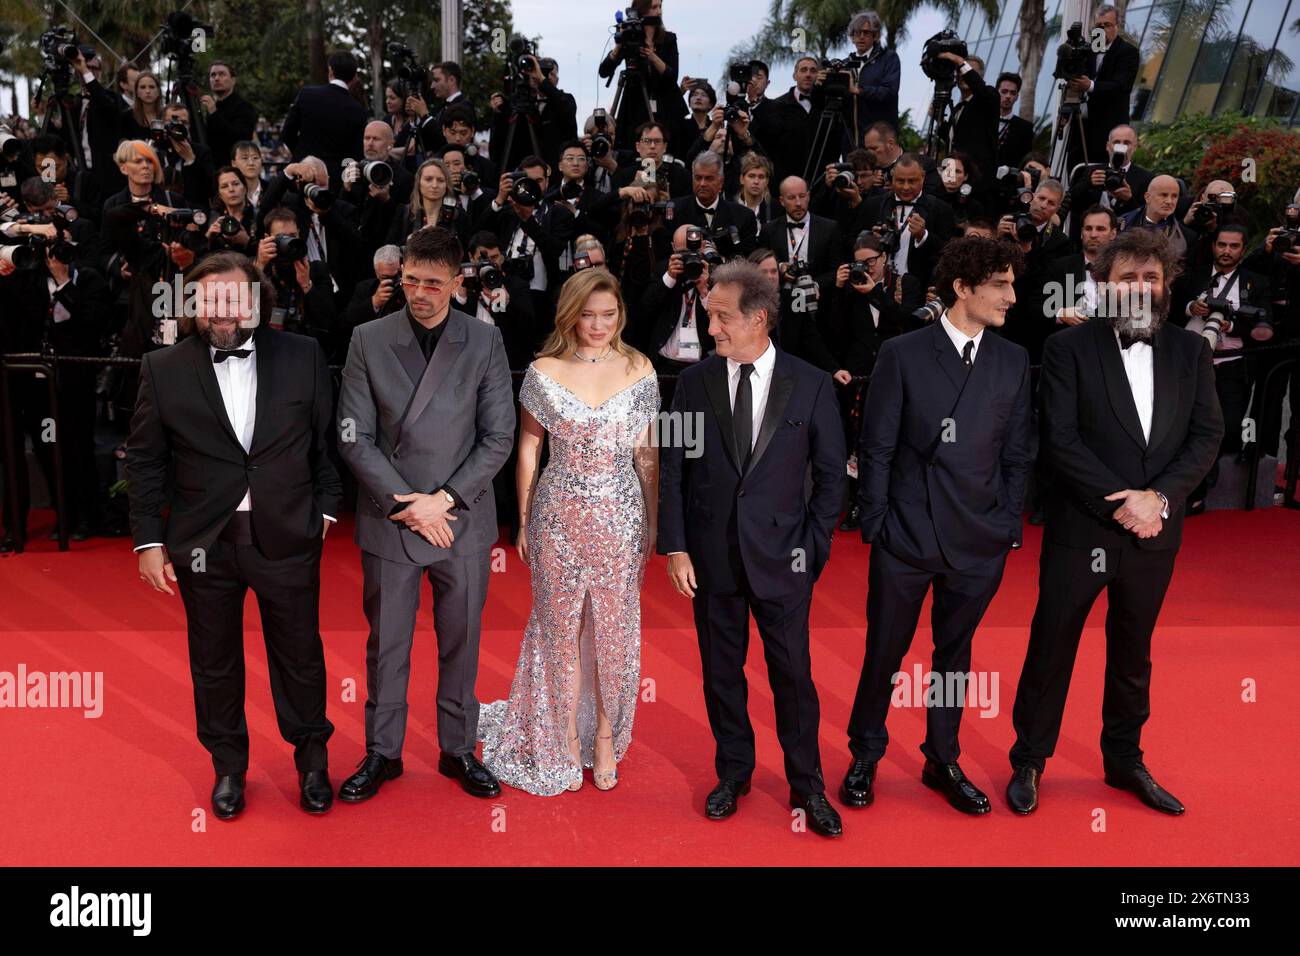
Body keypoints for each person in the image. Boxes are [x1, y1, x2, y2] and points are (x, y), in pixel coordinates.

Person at [1007, 228, 1224, 816]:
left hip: (1157, 530)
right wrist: (1121, 504)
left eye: (1151, 278)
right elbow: (1061, 439)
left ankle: (1124, 759)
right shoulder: (1067, 350)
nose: (1140, 287)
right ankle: (1029, 757)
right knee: (1053, 645)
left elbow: (1207, 436)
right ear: (1103, 285)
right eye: (1127, 278)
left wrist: (1160, 499)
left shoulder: (1189, 350)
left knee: (1134, 651)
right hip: (1086, 529)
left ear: (1166, 285)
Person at [126, 251, 343, 819]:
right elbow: (146, 461)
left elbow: (325, 442)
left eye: (235, 297)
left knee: (299, 655)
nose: (223, 309)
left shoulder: (303, 354)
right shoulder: (162, 367)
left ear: (257, 301)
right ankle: (229, 766)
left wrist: (324, 510)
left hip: (288, 535)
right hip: (204, 544)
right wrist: (149, 541)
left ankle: (313, 760)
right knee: (214, 661)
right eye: (211, 298)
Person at [658, 259, 846, 837]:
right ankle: (733, 772)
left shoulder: (810, 382)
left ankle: (807, 784)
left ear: (758, 319)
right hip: (712, 560)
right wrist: (676, 547)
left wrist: (813, 548)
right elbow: (672, 468)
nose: (709, 329)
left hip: (785, 560)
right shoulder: (691, 382)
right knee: (721, 674)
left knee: (792, 676)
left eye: (720, 318)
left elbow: (833, 474)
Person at [843, 236, 1031, 814]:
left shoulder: (1012, 359)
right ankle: (866, 753)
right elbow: (876, 446)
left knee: (956, 654)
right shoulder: (903, 353)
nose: (1012, 297)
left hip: (980, 540)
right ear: (962, 287)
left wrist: (1007, 524)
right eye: (1000, 284)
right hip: (908, 534)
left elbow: (1018, 451)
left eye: (1012, 284)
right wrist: (875, 524)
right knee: (885, 651)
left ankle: (941, 757)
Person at [335, 226, 515, 803]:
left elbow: (499, 436)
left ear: (458, 283)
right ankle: (382, 753)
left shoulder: (485, 342)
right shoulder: (367, 337)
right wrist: (408, 505)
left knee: (460, 638)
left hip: (460, 520)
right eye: (410, 280)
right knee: (386, 642)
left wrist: (445, 499)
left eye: (433, 283)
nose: (419, 293)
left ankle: (458, 748)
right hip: (392, 518)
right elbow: (354, 436)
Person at [479, 269, 659, 794]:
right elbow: (530, 448)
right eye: (587, 314)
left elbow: (648, 454)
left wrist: (653, 521)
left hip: (621, 516)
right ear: (569, 315)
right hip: (557, 515)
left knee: (614, 632)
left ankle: (605, 737)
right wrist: (526, 517)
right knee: (559, 630)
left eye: (608, 314)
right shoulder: (542, 371)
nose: (599, 324)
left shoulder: (641, 368)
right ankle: (564, 740)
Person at [597, 0, 684, 151]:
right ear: (641, 10)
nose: (659, 11)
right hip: (635, 105)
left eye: (660, 6)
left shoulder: (668, 39)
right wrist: (619, 46)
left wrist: (653, 57)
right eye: (654, 7)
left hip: (664, 106)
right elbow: (604, 71)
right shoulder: (631, 38)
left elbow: (672, 77)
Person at [281, 51, 368, 184]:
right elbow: (355, 155)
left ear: (330, 71)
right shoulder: (358, 111)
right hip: (334, 181)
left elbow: (287, 133)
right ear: (354, 77)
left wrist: (302, 156)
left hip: (302, 174)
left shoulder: (307, 94)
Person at [200, 61, 258, 167]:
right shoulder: (211, 107)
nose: (216, 78)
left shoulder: (244, 107)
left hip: (232, 172)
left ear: (233, 80)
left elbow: (240, 140)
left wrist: (214, 112)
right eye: (213, 75)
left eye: (222, 74)